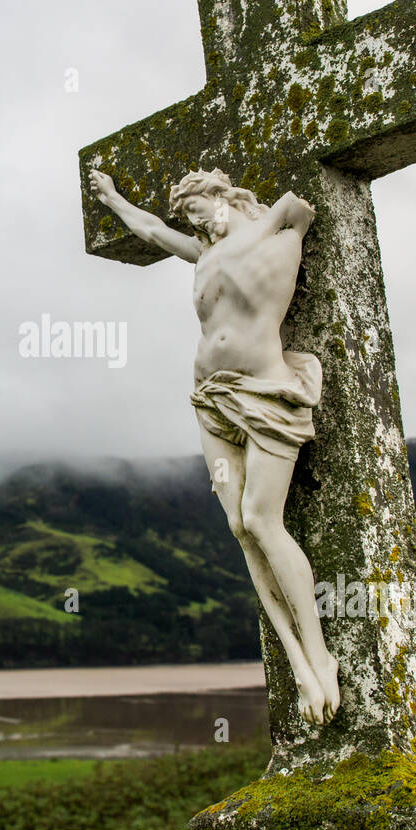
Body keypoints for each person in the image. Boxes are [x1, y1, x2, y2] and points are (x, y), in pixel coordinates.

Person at [88, 166, 339, 725]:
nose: (192, 224)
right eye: (188, 219)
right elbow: (151, 231)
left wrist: (260, 218)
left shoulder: (271, 228)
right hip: (209, 396)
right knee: (240, 529)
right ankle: (297, 660)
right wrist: (112, 197)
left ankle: (319, 653)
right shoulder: (203, 254)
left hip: (266, 390)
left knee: (262, 518)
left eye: (196, 212)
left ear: (220, 197)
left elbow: (301, 209)